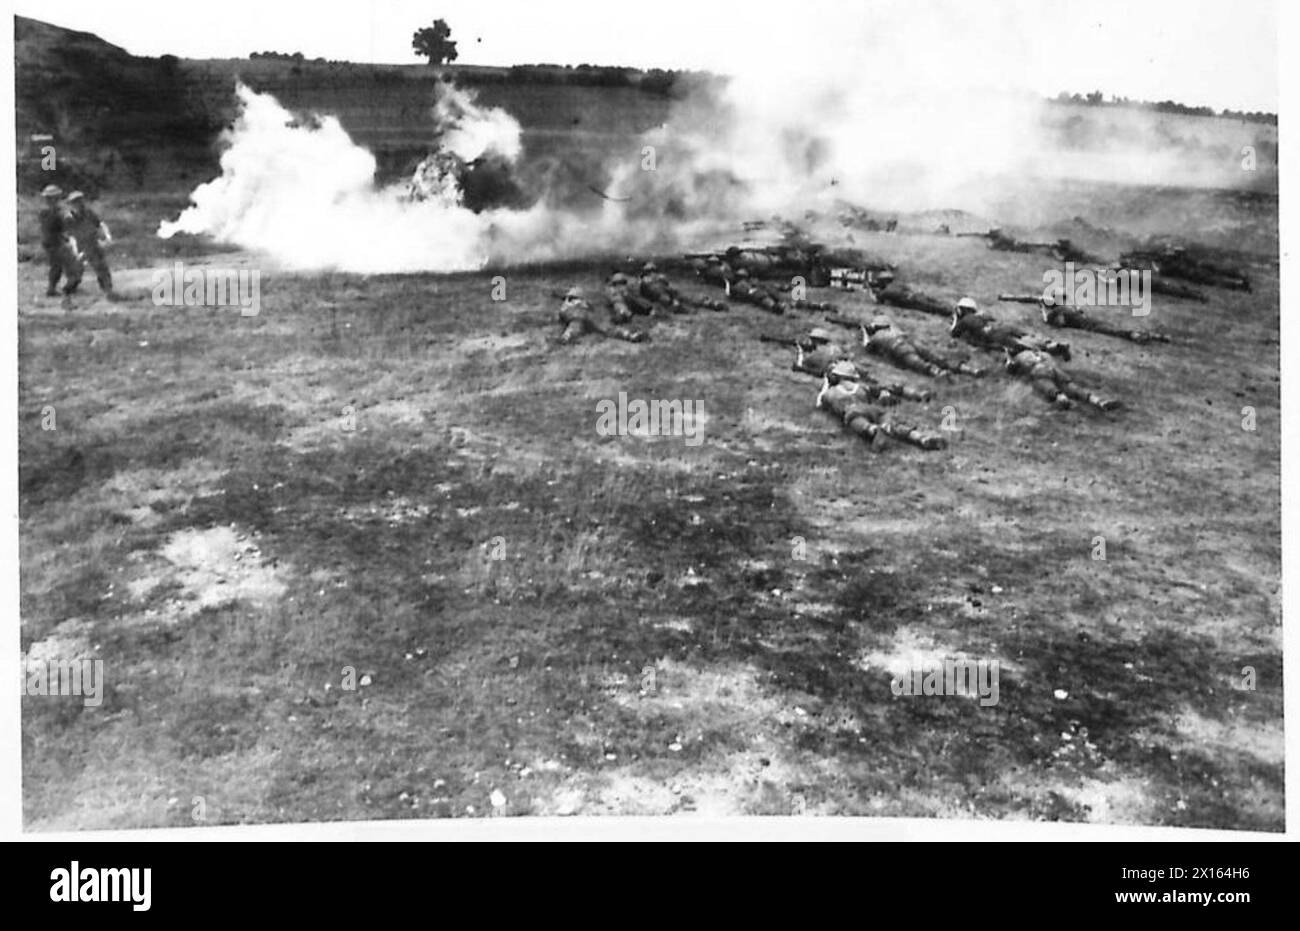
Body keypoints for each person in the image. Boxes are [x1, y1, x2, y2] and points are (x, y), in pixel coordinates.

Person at [816, 360, 947, 450]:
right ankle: (920, 438)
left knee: (862, 424)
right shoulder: (862, 387)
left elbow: (819, 405)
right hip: (873, 409)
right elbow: (881, 393)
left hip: (852, 411)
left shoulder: (830, 393)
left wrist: (826, 385)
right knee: (895, 424)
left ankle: (874, 430)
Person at [950, 297, 1071, 361]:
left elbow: (954, 333)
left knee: (1021, 347)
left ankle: (1051, 350)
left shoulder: (965, 320)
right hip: (1003, 327)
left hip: (993, 336)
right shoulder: (981, 315)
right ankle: (1054, 345)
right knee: (1025, 337)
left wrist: (956, 319)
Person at [862, 315, 985, 377]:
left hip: (897, 345)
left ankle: (936, 372)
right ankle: (968, 370)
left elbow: (867, 347)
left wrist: (865, 333)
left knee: (916, 362)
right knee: (936, 357)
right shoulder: (895, 328)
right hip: (911, 340)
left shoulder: (878, 336)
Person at [1003, 347, 1120, 411]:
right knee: (1072, 387)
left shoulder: (1019, 357)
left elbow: (1011, 370)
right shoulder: (1038, 351)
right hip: (1054, 368)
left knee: (1048, 386)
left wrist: (1009, 359)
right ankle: (1098, 401)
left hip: (1039, 370)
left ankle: (1062, 399)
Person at [37, 184, 81, 309]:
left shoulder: (46, 210)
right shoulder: (52, 211)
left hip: (50, 241)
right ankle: (68, 288)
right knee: (69, 264)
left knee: (56, 266)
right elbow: (63, 223)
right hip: (55, 241)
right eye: (56, 197)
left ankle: (53, 288)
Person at [64, 191, 115, 298]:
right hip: (80, 245)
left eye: (80, 201)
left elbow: (100, 224)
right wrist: (76, 251)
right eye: (75, 202)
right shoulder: (69, 218)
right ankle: (69, 289)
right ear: (71, 204)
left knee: (101, 267)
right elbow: (71, 236)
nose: (79, 204)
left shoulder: (89, 213)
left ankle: (108, 290)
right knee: (77, 270)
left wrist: (107, 236)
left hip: (92, 243)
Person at [557, 287, 648, 344]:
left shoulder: (565, 306)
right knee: (605, 327)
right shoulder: (577, 304)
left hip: (577, 316)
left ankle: (567, 336)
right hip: (581, 314)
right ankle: (628, 335)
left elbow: (563, 315)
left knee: (577, 324)